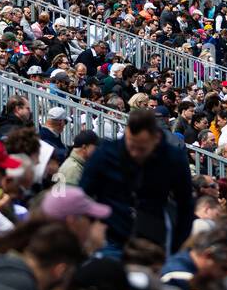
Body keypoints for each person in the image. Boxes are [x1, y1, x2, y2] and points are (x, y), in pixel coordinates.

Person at [79, 108, 195, 258]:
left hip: (152, 237)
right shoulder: (106, 154)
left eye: (141, 148)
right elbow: (83, 194)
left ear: (156, 139)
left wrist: (176, 245)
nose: (135, 153)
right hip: (111, 233)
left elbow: (185, 203)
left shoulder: (172, 158)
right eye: (131, 146)